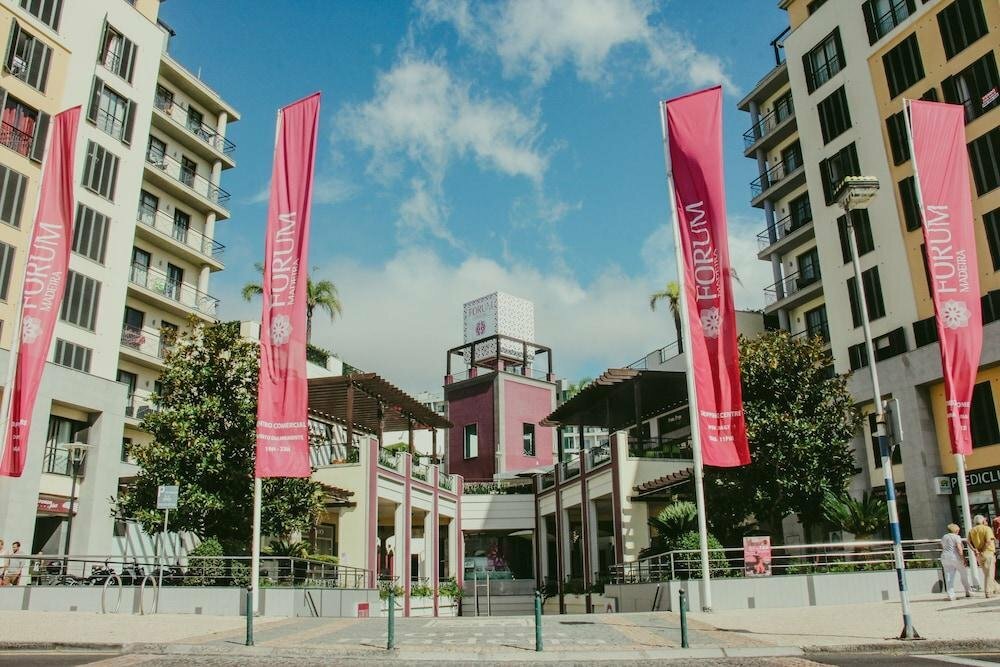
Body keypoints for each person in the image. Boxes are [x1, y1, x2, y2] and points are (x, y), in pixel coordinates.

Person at [968, 515, 998, 598]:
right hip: (987, 552)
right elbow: (988, 541)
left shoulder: (972, 530)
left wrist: (975, 550)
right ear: (983, 520)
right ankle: (988, 592)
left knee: (987, 574)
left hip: (978, 555)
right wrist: (982, 549)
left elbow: (968, 541)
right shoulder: (987, 529)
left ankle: (996, 589)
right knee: (990, 574)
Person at [940, 523, 971, 601]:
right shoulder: (957, 537)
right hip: (955, 557)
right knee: (964, 574)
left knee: (949, 576)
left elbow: (942, 546)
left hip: (945, 557)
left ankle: (951, 594)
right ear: (956, 530)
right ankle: (968, 591)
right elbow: (959, 549)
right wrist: (963, 558)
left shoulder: (944, 537)